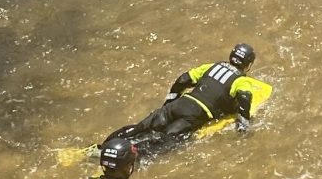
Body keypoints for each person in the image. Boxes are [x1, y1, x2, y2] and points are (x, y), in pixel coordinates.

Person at [104, 43, 259, 150]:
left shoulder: (212, 66)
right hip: (195, 114)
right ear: (249, 65)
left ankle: (102, 147)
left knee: (139, 128)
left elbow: (183, 79)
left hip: (180, 104)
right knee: (163, 142)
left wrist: (170, 101)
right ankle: (127, 158)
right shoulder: (242, 81)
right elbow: (244, 99)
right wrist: (243, 126)